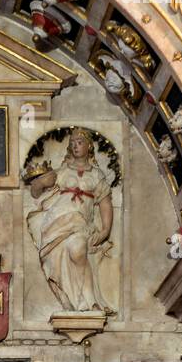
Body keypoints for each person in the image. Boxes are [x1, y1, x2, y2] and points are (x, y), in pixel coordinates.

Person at [25, 127, 114, 312]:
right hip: (56, 221)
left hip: (80, 223)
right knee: (61, 257)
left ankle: (89, 302)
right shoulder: (62, 171)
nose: (75, 146)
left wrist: (105, 230)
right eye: (72, 143)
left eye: (79, 142)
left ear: (89, 146)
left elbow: (105, 204)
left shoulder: (97, 175)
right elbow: (36, 190)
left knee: (77, 249)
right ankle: (77, 302)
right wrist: (39, 183)